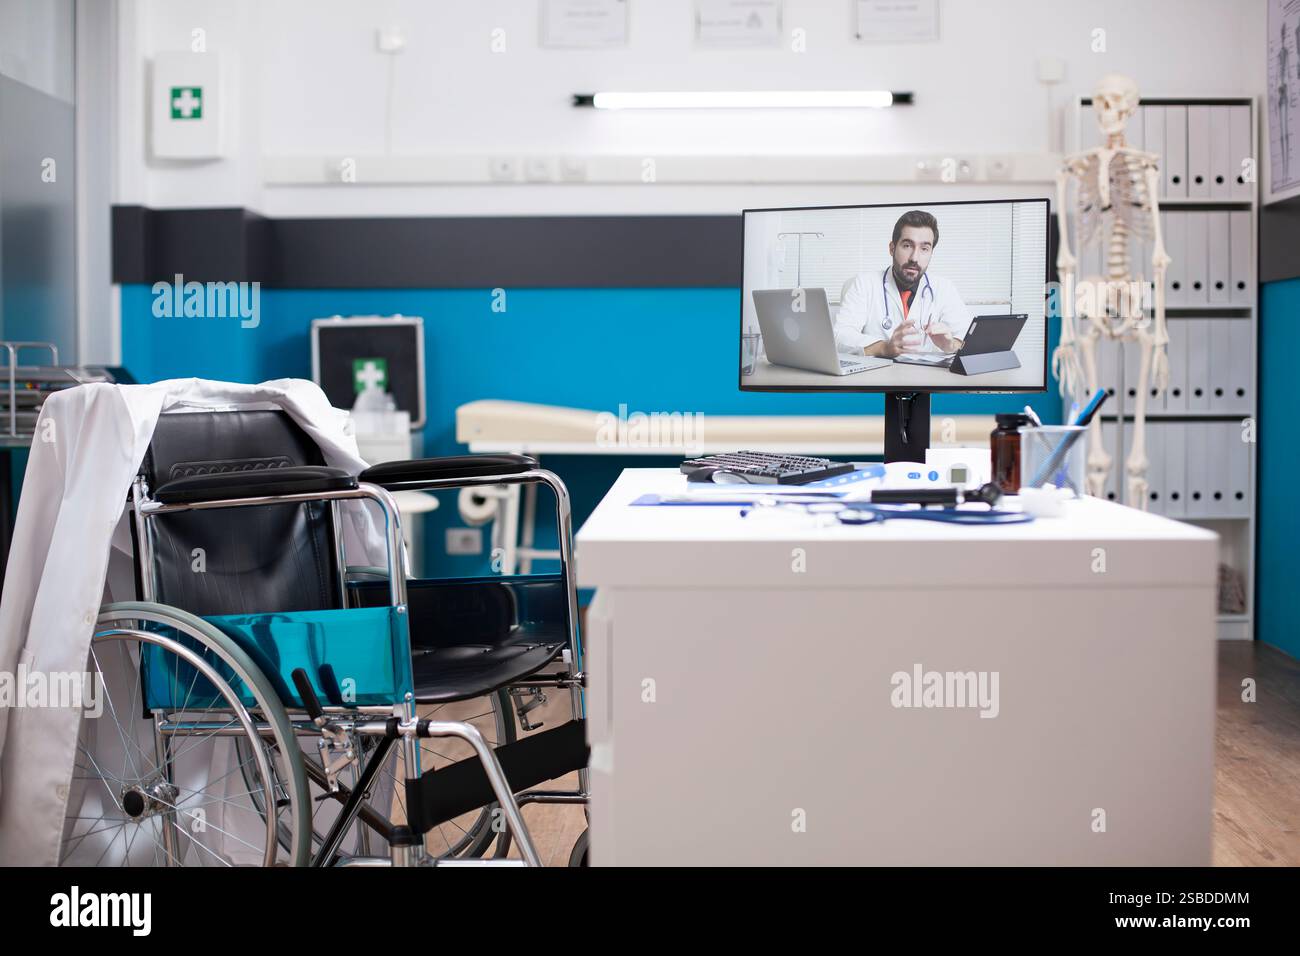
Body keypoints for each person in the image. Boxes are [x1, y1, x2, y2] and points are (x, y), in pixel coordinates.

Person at [834, 209, 972, 359]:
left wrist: (950, 345)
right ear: (892, 248)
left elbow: (968, 340)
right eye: (907, 245)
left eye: (924, 248)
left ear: (931, 252)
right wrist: (884, 347)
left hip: (928, 378)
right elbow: (839, 337)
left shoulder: (944, 287)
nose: (914, 257)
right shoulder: (864, 284)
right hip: (878, 377)